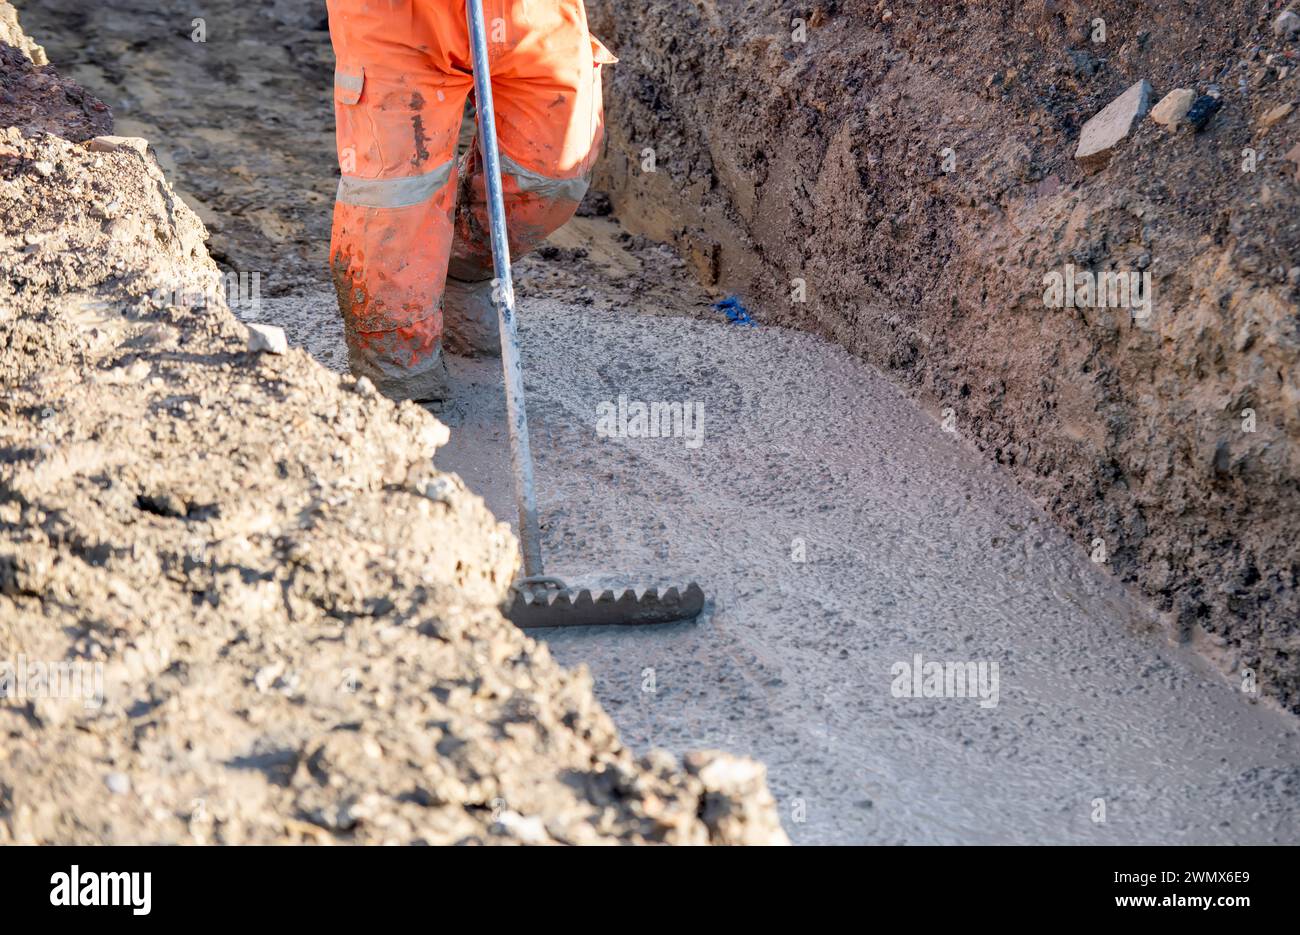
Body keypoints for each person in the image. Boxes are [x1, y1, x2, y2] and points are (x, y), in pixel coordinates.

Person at [326, 0, 615, 403]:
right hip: (400, 19)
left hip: (533, 12)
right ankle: (398, 368)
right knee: (398, 200)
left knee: (550, 178)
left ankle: (460, 268)